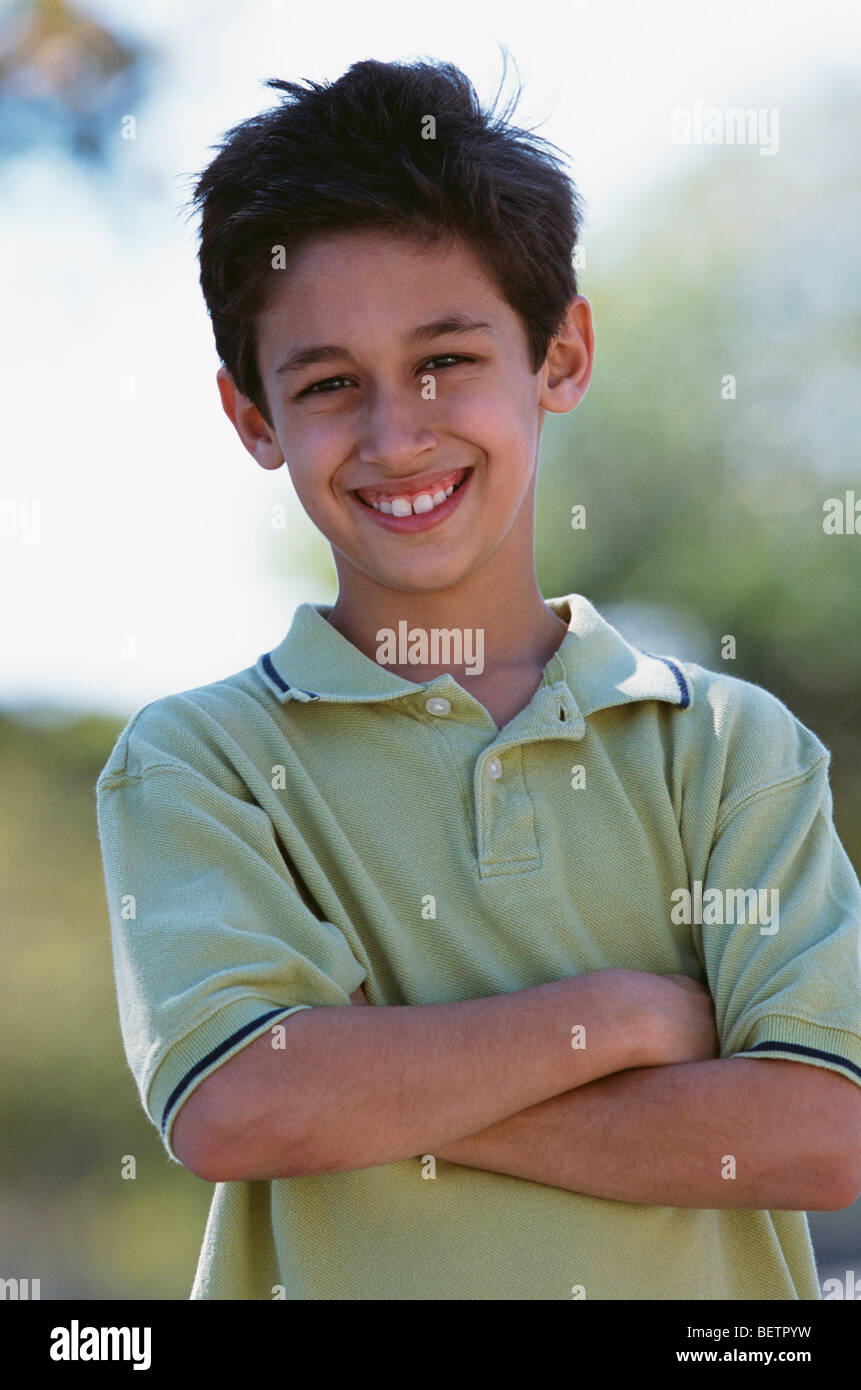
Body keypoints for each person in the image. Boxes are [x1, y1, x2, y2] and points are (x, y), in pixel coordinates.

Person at [96, 58, 861, 1300]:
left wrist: (366, 1081)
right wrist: (621, 1018)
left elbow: (818, 1136)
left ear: (561, 356)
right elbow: (240, 1108)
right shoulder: (202, 760)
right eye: (330, 382)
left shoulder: (733, 749)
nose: (398, 435)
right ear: (252, 416)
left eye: (447, 358)